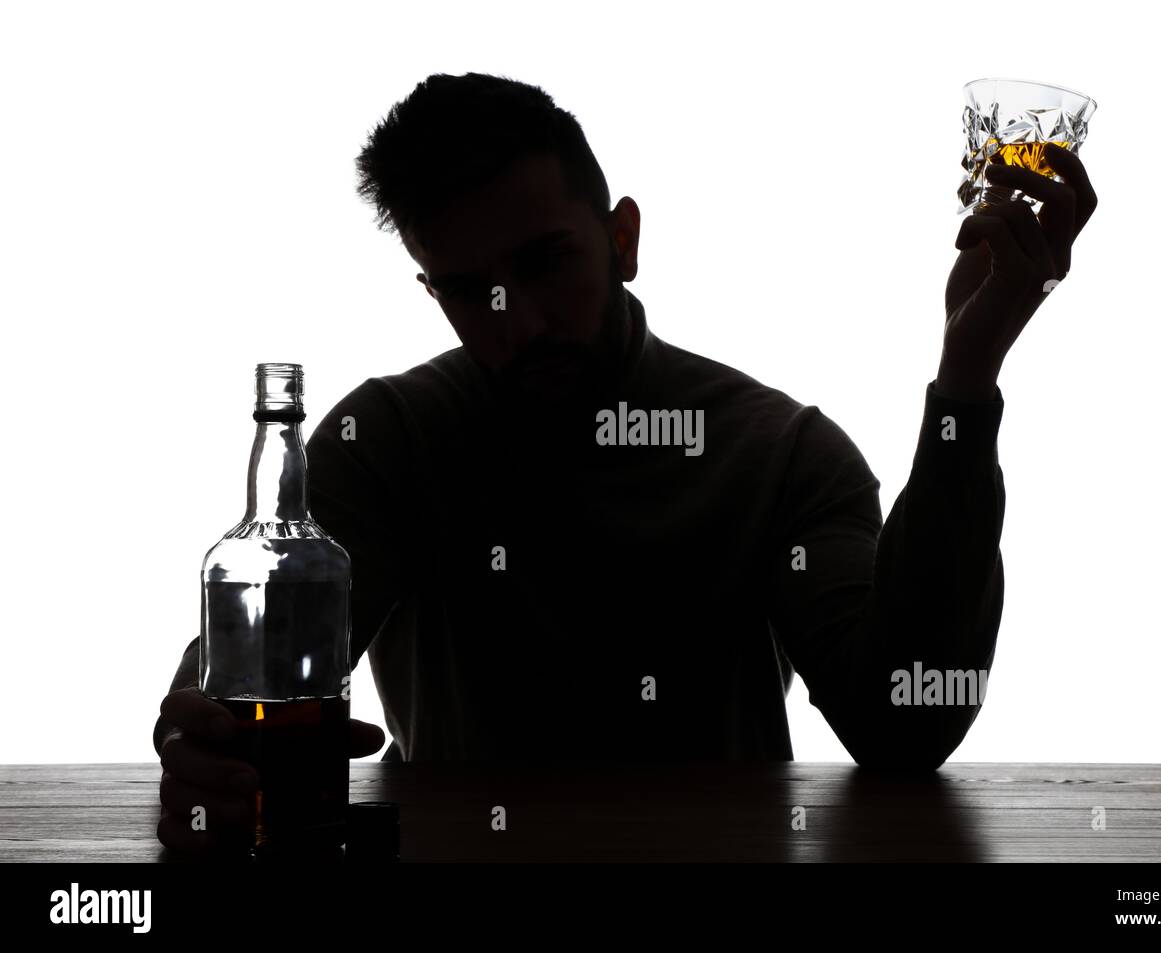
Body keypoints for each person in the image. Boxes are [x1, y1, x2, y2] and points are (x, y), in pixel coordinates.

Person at [154, 71, 1098, 852]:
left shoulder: (780, 455)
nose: (514, 322)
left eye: (543, 266)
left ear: (625, 239)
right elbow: (260, 655)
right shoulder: (392, 440)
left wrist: (969, 373)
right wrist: (198, 713)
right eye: (468, 292)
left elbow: (905, 721)